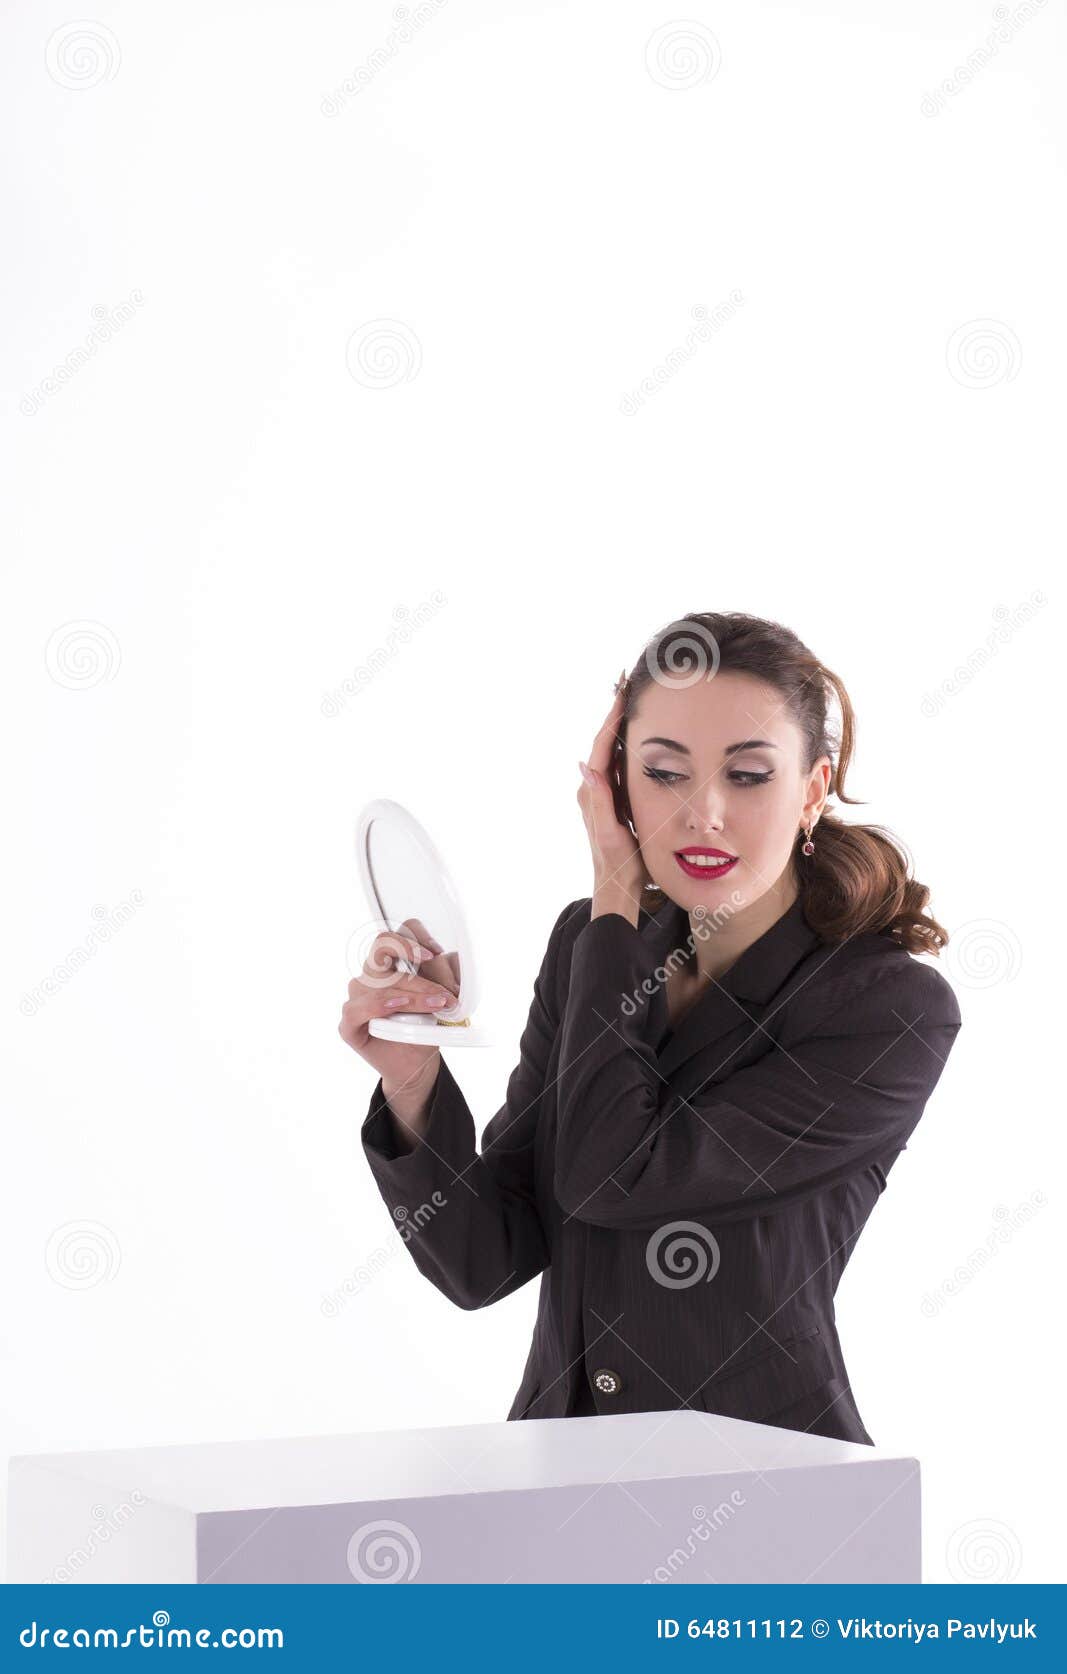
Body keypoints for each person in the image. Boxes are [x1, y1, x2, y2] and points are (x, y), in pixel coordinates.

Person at [339, 610, 963, 1444]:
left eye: (747, 776)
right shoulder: (588, 946)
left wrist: (612, 899)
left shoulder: (886, 1010)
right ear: (620, 783)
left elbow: (614, 1176)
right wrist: (413, 1080)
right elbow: (481, 1260)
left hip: (764, 1494)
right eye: (664, 772)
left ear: (810, 792)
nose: (702, 813)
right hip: (557, 1473)